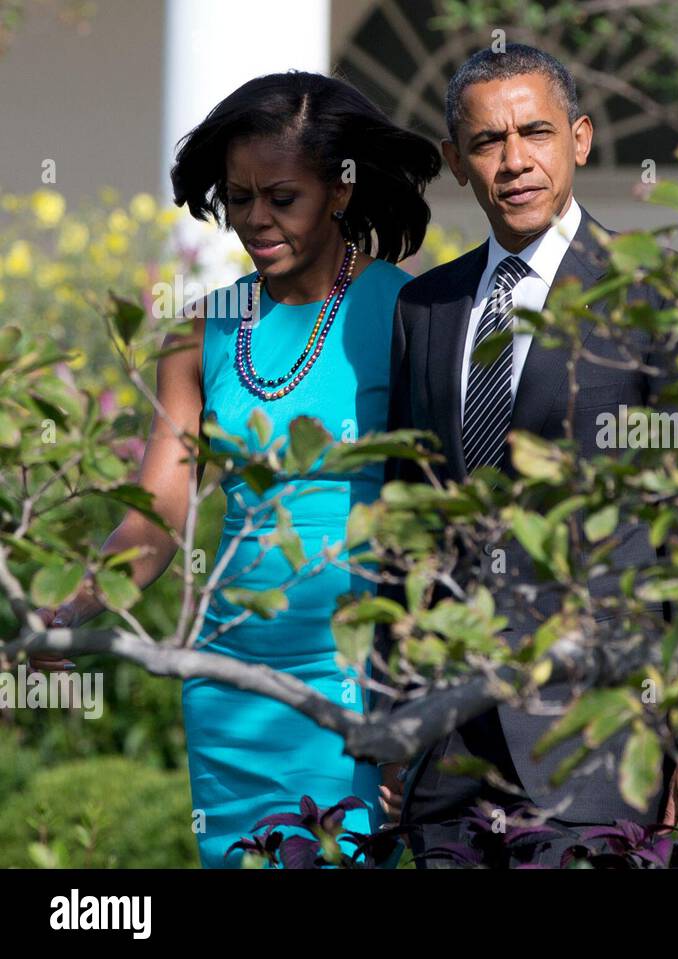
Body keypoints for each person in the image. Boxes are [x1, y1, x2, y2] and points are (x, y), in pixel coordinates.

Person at [33, 71, 441, 866]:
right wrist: (72, 609)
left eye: (280, 197)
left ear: (339, 191)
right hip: (228, 684)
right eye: (238, 196)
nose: (255, 218)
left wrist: (419, 702)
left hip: (360, 678)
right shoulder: (200, 332)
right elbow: (157, 514)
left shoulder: (408, 310)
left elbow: (438, 508)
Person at [381, 43, 678, 866]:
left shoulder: (662, 298)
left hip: (601, 753)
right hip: (449, 761)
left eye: (536, 133)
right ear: (456, 160)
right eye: (487, 142)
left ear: (579, 140)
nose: (514, 161)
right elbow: (410, 522)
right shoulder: (425, 306)